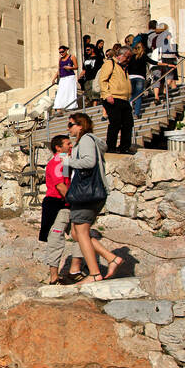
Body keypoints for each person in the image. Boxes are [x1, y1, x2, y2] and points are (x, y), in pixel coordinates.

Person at [63, 113, 119, 283]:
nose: (68, 128)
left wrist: (67, 161)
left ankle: (95, 273)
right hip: (89, 193)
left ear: (80, 126)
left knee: (81, 232)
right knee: (76, 232)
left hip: (87, 194)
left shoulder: (86, 139)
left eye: (71, 124)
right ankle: (111, 258)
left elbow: (89, 162)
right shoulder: (84, 141)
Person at [40, 136, 80, 285]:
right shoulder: (57, 162)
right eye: (67, 143)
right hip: (58, 203)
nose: (71, 145)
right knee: (56, 238)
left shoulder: (65, 161)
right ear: (58, 147)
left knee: (79, 235)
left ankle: (74, 270)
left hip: (66, 202)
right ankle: (54, 277)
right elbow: (60, 185)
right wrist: (73, 200)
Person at [99, 45, 135, 154]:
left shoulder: (124, 67)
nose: (129, 60)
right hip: (113, 97)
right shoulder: (110, 63)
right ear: (120, 55)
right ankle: (111, 147)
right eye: (127, 57)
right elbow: (103, 80)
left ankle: (124, 147)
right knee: (115, 122)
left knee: (128, 123)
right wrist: (107, 94)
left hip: (124, 99)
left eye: (130, 57)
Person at [53, 45, 79, 111]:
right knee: (60, 92)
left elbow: (76, 67)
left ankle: (70, 107)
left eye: (62, 51)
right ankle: (59, 108)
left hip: (70, 77)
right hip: (62, 78)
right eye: (60, 52)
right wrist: (54, 78)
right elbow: (59, 69)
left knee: (70, 92)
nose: (61, 53)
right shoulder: (60, 59)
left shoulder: (72, 57)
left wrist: (70, 68)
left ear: (66, 50)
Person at [127, 44, 150, 118]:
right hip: (140, 77)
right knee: (138, 96)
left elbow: (126, 66)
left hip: (131, 77)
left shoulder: (130, 57)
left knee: (131, 95)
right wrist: (167, 64)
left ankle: (129, 112)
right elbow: (153, 62)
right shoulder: (143, 56)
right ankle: (136, 113)